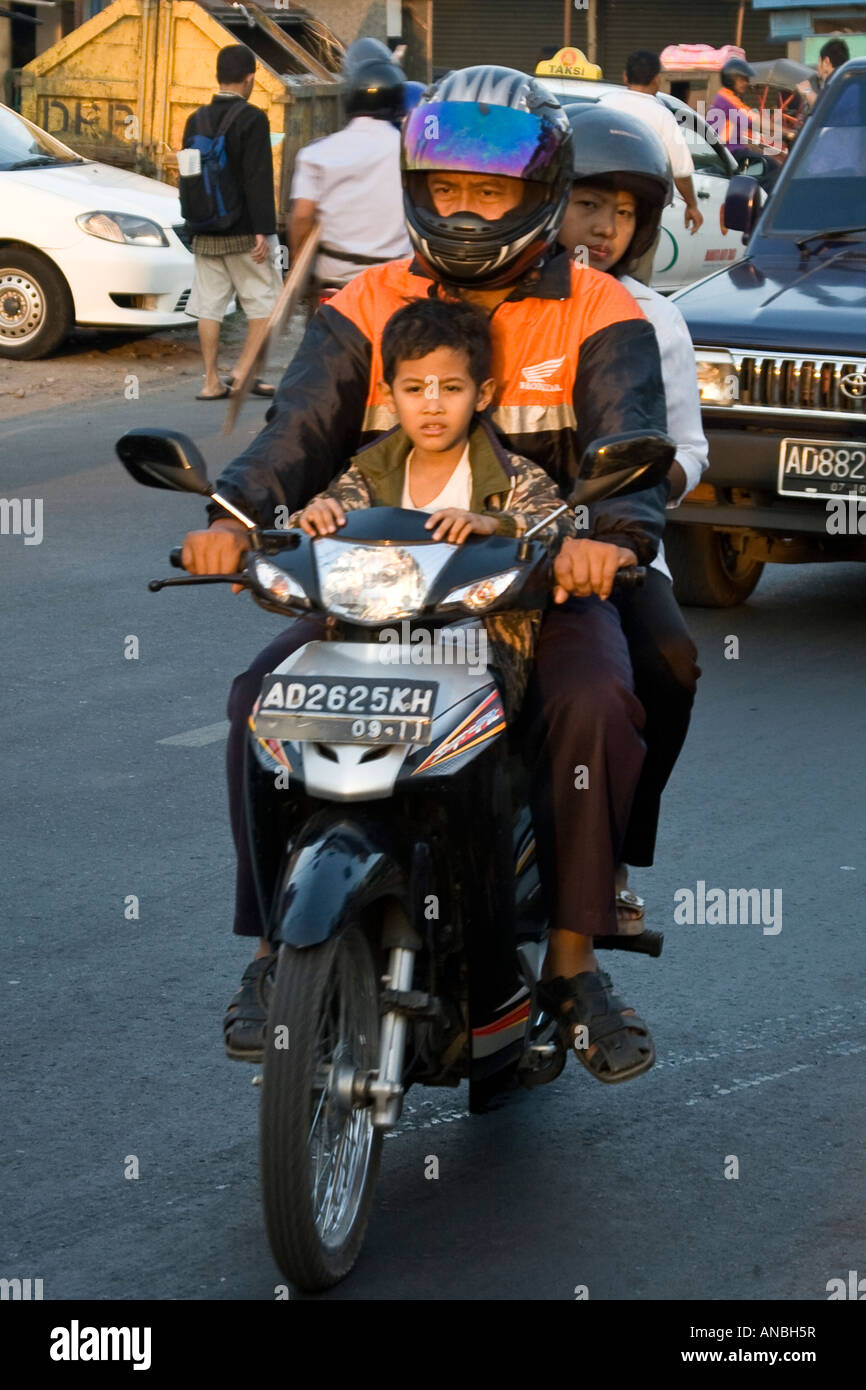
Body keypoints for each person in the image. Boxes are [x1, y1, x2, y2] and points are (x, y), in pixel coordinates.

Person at [183, 65, 672, 1086]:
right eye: (443, 188)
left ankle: (576, 963)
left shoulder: (597, 305)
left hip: (535, 591)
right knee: (251, 706)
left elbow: (630, 445)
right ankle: (271, 953)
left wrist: (607, 537)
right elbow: (298, 431)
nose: (460, 210)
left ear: (537, 192)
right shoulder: (366, 297)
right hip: (377, 587)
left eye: (485, 192)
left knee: (591, 702)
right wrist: (234, 518)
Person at [557, 102, 704, 928]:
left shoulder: (658, 319)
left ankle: (612, 854)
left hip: (614, 551)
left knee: (673, 663)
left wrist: (647, 488)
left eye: (623, 213)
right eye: (589, 204)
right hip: (492, 546)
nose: (605, 226)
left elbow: (689, 449)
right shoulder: (504, 304)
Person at [287, 297, 573, 720]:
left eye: (452, 388)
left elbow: (558, 526)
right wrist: (309, 523)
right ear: (388, 395)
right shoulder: (363, 476)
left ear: (483, 394)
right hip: (363, 658)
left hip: (479, 661)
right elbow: (309, 528)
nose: (433, 405)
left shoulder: (515, 478)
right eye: (415, 389)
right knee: (259, 698)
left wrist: (491, 523)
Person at [182, 44, 281, 401]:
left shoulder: (195, 120)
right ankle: (242, 370)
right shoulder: (253, 119)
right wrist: (263, 230)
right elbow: (257, 177)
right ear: (250, 78)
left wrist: (192, 224)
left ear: (218, 77)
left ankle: (210, 381)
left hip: (205, 229)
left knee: (209, 306)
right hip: (242, 233)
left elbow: (188, 176)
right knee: (266, 303)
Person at [288, 38, 412, 293]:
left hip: (335, 283)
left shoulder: (316, 154)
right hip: (394, 283)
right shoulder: (411, 153)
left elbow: (302, 216)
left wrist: (297, 269)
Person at [597, 48, 703, 282]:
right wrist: (692, 205)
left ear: (625, 77)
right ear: (657, 78)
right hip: (643, 211)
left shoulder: (603, 104)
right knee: (636, 279)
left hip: (600, 202)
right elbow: (681, 170)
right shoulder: (662, 115)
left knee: (598, 272)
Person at [708, 56, 765, 161]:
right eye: (741, 80)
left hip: (732, 151)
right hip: (729, 153)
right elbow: (755, 122)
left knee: (765, 159)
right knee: (773, 167)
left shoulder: (730, 97)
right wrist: (787, 133)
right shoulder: (726, 99)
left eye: (746, 80)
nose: (746, 83)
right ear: (730, 80)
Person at [797, 38, 851, 112]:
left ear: (826, 62)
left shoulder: (837, 84)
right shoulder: (852, 82)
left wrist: (808, 91)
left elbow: (827, 111)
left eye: (819, 61)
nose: (817, 67)